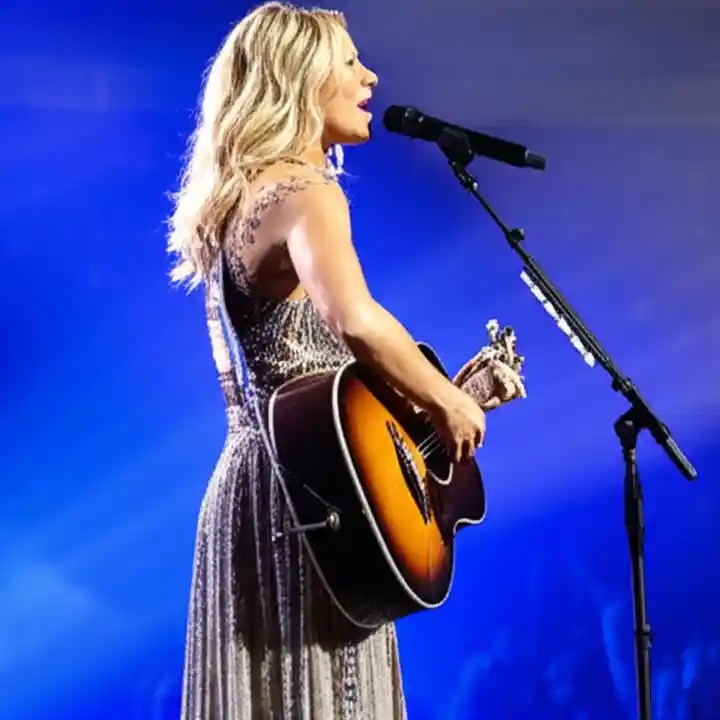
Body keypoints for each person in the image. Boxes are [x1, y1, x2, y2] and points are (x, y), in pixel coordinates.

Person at [166, 3, 495, 717]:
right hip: (318, 497)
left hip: (251, 484)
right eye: (349, 62)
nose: (370, 76)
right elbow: (355, 320)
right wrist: (446, 397)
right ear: (301, 79)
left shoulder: (238, 200)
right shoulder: (308, 192)